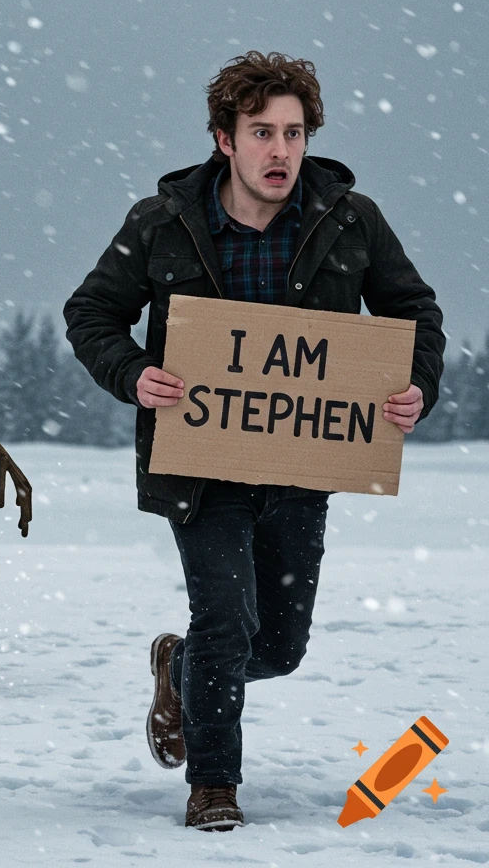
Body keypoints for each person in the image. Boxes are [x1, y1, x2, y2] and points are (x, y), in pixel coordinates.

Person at [62, 51, 445, 831]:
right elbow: (91, 314)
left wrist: (416, 386)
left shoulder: (351, 219)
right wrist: (133, 373)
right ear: (223, 140)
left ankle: (179, 667)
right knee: (225, 621)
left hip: (302, 467)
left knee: (276, 647)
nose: (280, 150)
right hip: (198, 471)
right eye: (262, 132)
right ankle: (214, 785)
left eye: (294, 133)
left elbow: (415, 313)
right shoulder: (162, 223)